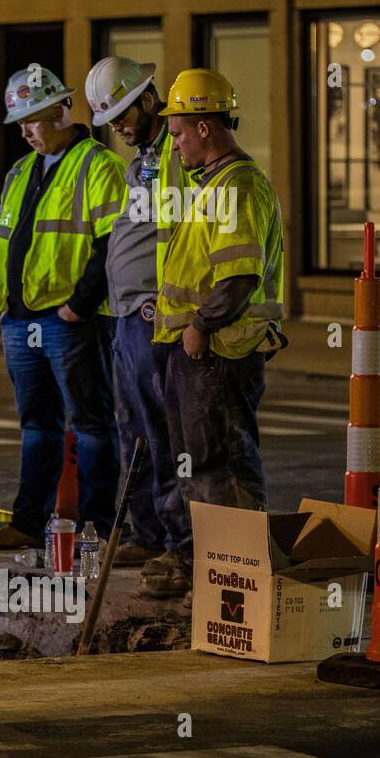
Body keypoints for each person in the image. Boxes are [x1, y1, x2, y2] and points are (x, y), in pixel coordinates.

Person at [143, 68, 286, 600]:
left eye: (178, 132)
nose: (174, 143)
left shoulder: (239, 185)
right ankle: (212, 572)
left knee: (220, 465)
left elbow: (240, 275)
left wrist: (201, 326)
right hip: (200, 350)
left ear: (205, 126)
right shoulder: (215, 185)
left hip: (222, 350)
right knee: (198, 465)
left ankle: (238, 581)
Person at [0, 67, 125, 550]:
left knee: (91, 423)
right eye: (19, 122)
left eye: (34, 119)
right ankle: (27, 522)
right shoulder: (21, 171)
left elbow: (111, 246)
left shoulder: (98, 165)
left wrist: (78, 307)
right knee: (37, 425)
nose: (25, 130)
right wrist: (3, 309)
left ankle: (97, 529)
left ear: (63, 110)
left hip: (67, 320)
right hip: (22, 318)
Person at [83, 56, 192, 569]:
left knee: (160, 429)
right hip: (127, 315)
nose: (120, 127)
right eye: (112, 120)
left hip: (155, 313)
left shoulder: (178, 153)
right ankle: (146, 533)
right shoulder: (141, 161)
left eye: (125, 113)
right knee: (134, 430)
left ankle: (178, 542)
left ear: (149, 98)